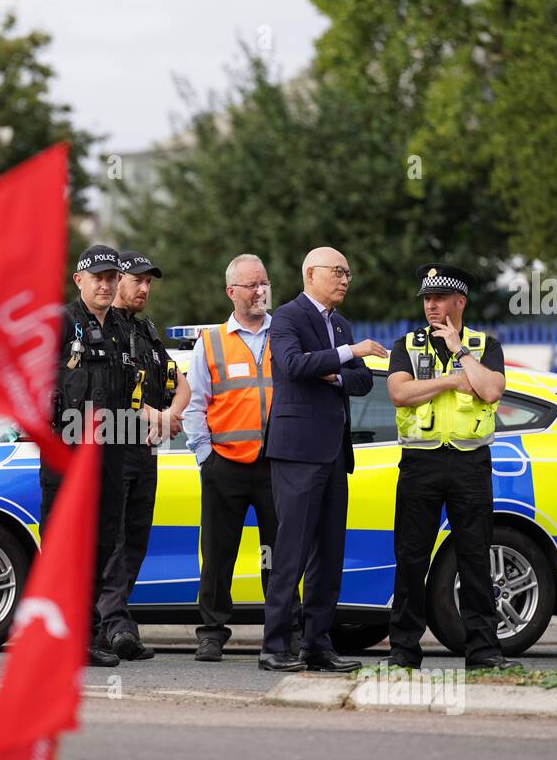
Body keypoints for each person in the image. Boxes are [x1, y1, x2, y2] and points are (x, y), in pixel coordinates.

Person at [259, 247, 385, 673]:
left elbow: (365, 380)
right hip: (296, 452)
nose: (346, 279)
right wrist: (349, 355)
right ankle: (275, 646)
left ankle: (317, 644)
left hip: (334, 454)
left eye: (349, 272)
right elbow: (293, 365)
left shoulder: (341, 324)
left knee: (329, 555)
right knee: (290, 552)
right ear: (311, 273)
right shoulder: (288, 317)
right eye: (338, 272)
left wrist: (334, 370)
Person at [386, 264, 517, 670]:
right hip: (420, 462)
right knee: (411, 558)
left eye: (439, 298)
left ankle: (483, 650)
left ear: (459, 301)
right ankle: (404, 649)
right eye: (426, 299)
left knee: (475, 557)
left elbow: (492, 389)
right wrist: (447, 381)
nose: (431, 306)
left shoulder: (483, 344)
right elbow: (398, 393)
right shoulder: (406, 345)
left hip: (469, 463)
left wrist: (460, 351)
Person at [182, 253, 291, 662]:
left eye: (264, 283)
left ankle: (282, 631)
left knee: (279, 553)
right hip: (224, 464)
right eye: (252, 285)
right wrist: (205, 457)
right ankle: (211, 632)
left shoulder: (284, 334)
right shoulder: (210, 342)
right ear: (232, 292)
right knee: (218, 552)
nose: (261, 290)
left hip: (276, 463)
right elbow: (194, 404)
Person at [42, 244, 134, 666]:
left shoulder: (122, 327)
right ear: (79, 280)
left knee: (101, 544)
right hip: (68, 452)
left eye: (112, 277)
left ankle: (88, 636)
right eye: (97, 276)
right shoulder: (60, 322)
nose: (105, 283)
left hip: (111, 450)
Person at [95, 250, 178, 662]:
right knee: (113, 540)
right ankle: (117, 626)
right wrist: (159, 416)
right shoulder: (104, 328)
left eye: (149, 282)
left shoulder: (146, 329)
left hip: (146, 449)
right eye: (137, 280)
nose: (144, 288)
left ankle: (109, 624)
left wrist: (173, 413)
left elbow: (175, 376)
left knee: (136, 541)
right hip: (115, 446)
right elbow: (116, 389)